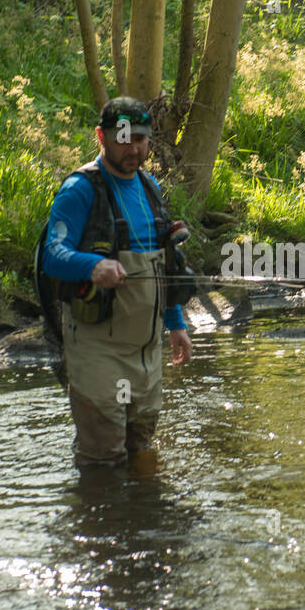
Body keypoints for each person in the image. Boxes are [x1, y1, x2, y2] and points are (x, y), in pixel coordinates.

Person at [40, 96, 192, 471]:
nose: (133, 147)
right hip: (97, 348)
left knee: (140, 447)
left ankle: (140, 523)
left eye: (140, 139)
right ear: (101, 137)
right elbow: (52, 255)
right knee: (102, 456)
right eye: (122, 138)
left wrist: (176, 325)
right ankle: (98, 522)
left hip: (145, 351)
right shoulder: (80, 189)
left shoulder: (151, 187)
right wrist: (93, 266)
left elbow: (163, 268)